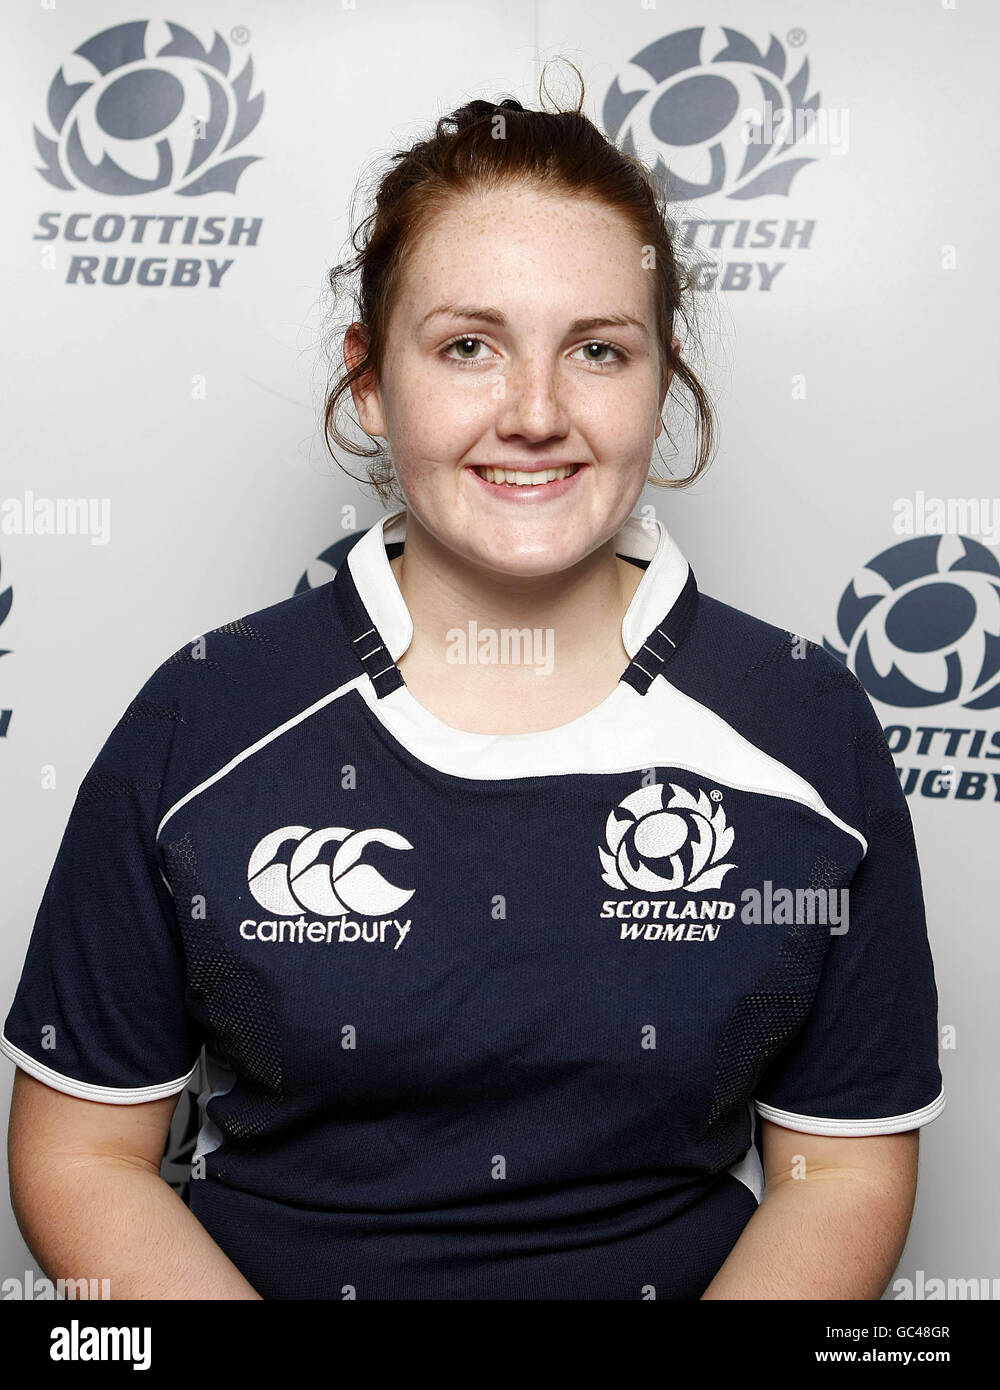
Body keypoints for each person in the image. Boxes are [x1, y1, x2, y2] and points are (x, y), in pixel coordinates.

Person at [2, 69, 944, 1301]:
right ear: (372, 380)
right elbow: (83, 1155)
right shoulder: (205, 712)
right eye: (468, 347)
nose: (536, 412)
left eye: (597, 350)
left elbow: (840, 1172)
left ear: (660, 380)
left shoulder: (805, 723)